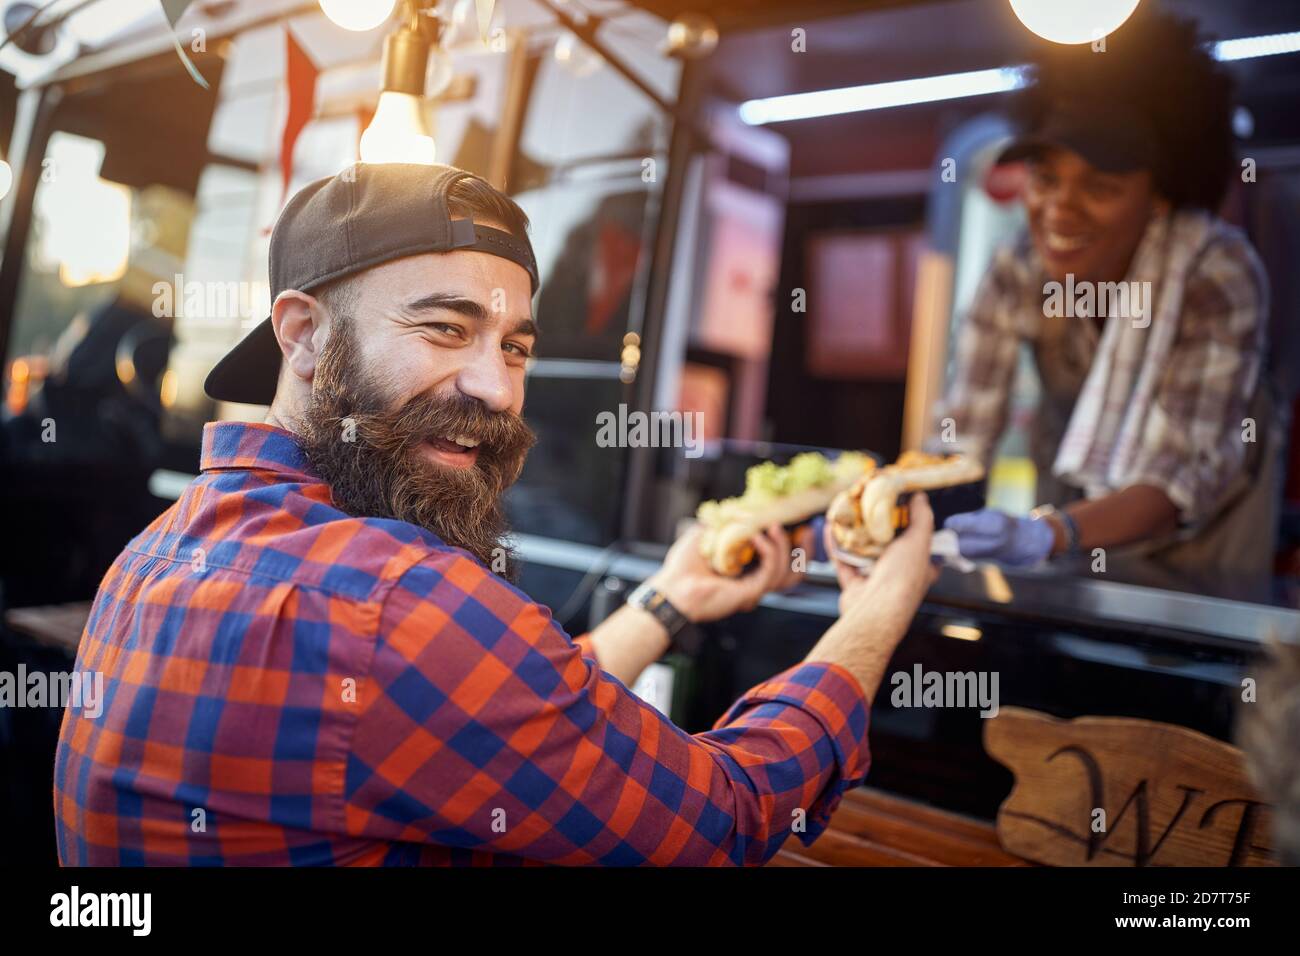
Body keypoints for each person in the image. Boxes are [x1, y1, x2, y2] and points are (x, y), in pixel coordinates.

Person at [53, 162, 935, 866]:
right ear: (305, 335)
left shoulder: (161, 549)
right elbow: (728, 817)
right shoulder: (395, 601)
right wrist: (879, 608)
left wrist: (666, 603)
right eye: (445, 328)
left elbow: (487, 711)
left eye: (515, 346)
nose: (495, 388)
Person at [937, 8, 1275, 573]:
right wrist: (892, 520)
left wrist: (1047, 533)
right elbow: (961, 438)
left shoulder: (1215, 273)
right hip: (1070, 539)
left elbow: (1177, 479)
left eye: (1100, 186)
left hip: (1201, 555)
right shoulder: (1017, 270)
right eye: (1045, 179)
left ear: (1162, 196)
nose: (1058, 210)